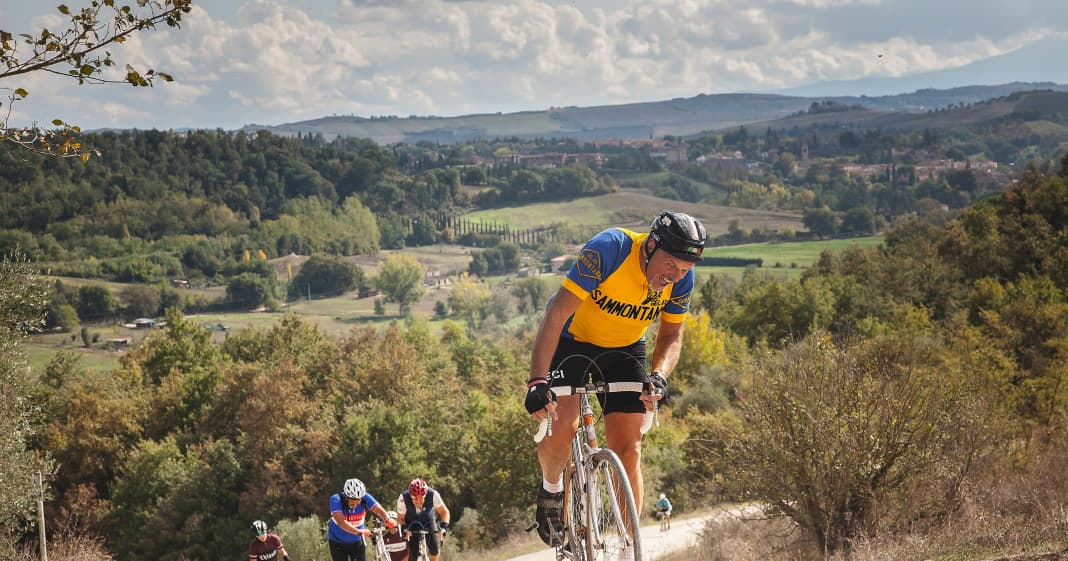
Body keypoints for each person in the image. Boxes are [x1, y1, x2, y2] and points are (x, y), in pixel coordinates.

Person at [524, 211, 706, 547]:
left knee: (629, 448)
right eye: (670, 265)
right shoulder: (610, 249)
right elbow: (557, 312)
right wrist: (537, 382)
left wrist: (659, 377)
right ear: (651, 245)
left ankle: (628, 547)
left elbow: (671, 334)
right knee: (562, 424)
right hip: (572, 340)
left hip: (624, 350)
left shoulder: (681, 278)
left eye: (684, 270)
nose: (675, 275)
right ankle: (552, 488)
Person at [328, 478, 397, 561]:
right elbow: (341, 522)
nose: (356, 504)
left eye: (358, 501)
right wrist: (359, 532)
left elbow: (377, 509)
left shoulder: (364, 497)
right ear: (346, 496)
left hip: (356, 542)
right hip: (337, 542)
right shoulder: (336, 499)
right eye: (353, 502)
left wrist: (387, 519)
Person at [396, 478, 451, 561]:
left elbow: (444, 512)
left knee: (434, 550)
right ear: (410, 496)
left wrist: (444, 527)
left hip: (428, 520)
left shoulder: (433, 494)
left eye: (421, 498)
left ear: (425, 494)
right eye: (415, 498)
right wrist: (404, 529)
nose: (418, 501)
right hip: (411, 523)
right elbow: (400, 518)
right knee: (413, 554)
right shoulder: (403, 498)